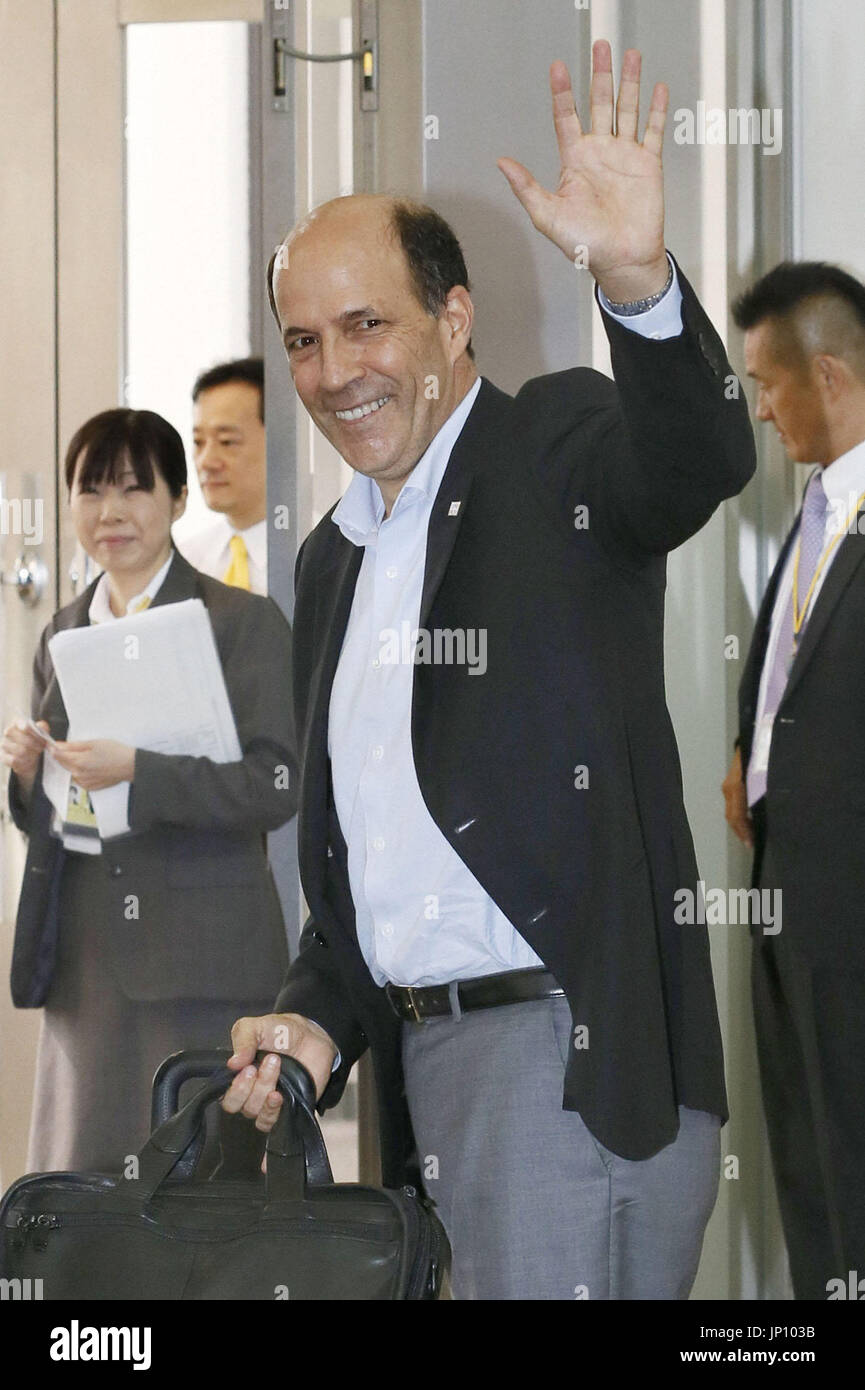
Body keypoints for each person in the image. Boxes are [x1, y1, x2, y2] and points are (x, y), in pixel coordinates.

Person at [223, 45, 755, 1300]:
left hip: (564, 1068)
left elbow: (697, 458)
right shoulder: (335, 562)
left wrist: (634, 279)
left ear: (453, 320)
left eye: (368, 325)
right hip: (425, 1083)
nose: (335, 370)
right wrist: (314, 1014)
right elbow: (376, 868)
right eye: (303, 339)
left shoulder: (555, 447)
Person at [1, 407, 297, 1174]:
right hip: (88, 960)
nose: (111, 513)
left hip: (204, 952)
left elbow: (275, 784)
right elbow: (58, 819)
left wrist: (141, 767)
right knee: (88, 1187)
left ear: (176, 501)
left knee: (202, 1189)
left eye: (135, 489)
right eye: (91, 491)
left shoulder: (241, 623)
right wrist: (31, 774)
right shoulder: (63, 632)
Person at [722, 261, 865, 1300]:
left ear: (829, 373)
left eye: (768, 384)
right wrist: (750, 749)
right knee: (812, 1180)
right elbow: (792, 671)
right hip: (790, 904)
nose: (762, 409)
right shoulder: (813, 509)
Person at [178, 358, 268, 593]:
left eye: (227, 442)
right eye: (198, 442)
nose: (206, 461)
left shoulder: (319, 554)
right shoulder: (186, 562)